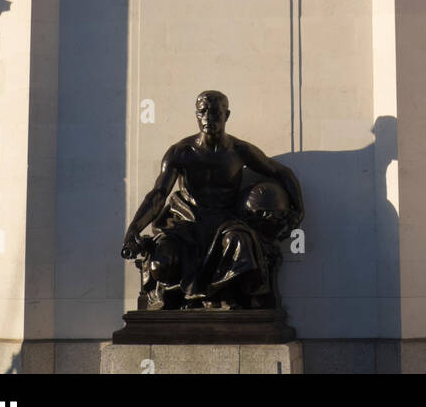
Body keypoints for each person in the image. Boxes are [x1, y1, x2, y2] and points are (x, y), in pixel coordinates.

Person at [121, 90, 303, 309]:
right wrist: (133, 228)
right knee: (161, 264)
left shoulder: (239, 150)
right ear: (196, 115)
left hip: (225, 221)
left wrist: (298, 209)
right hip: (187, 223)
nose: (208, 118)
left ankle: (220, 296)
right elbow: (158, 194)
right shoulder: (180, 152)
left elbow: (281, 172)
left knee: (240, 243)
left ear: (227, 115)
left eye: (215, 112)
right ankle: (192, 295)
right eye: (202, 112)